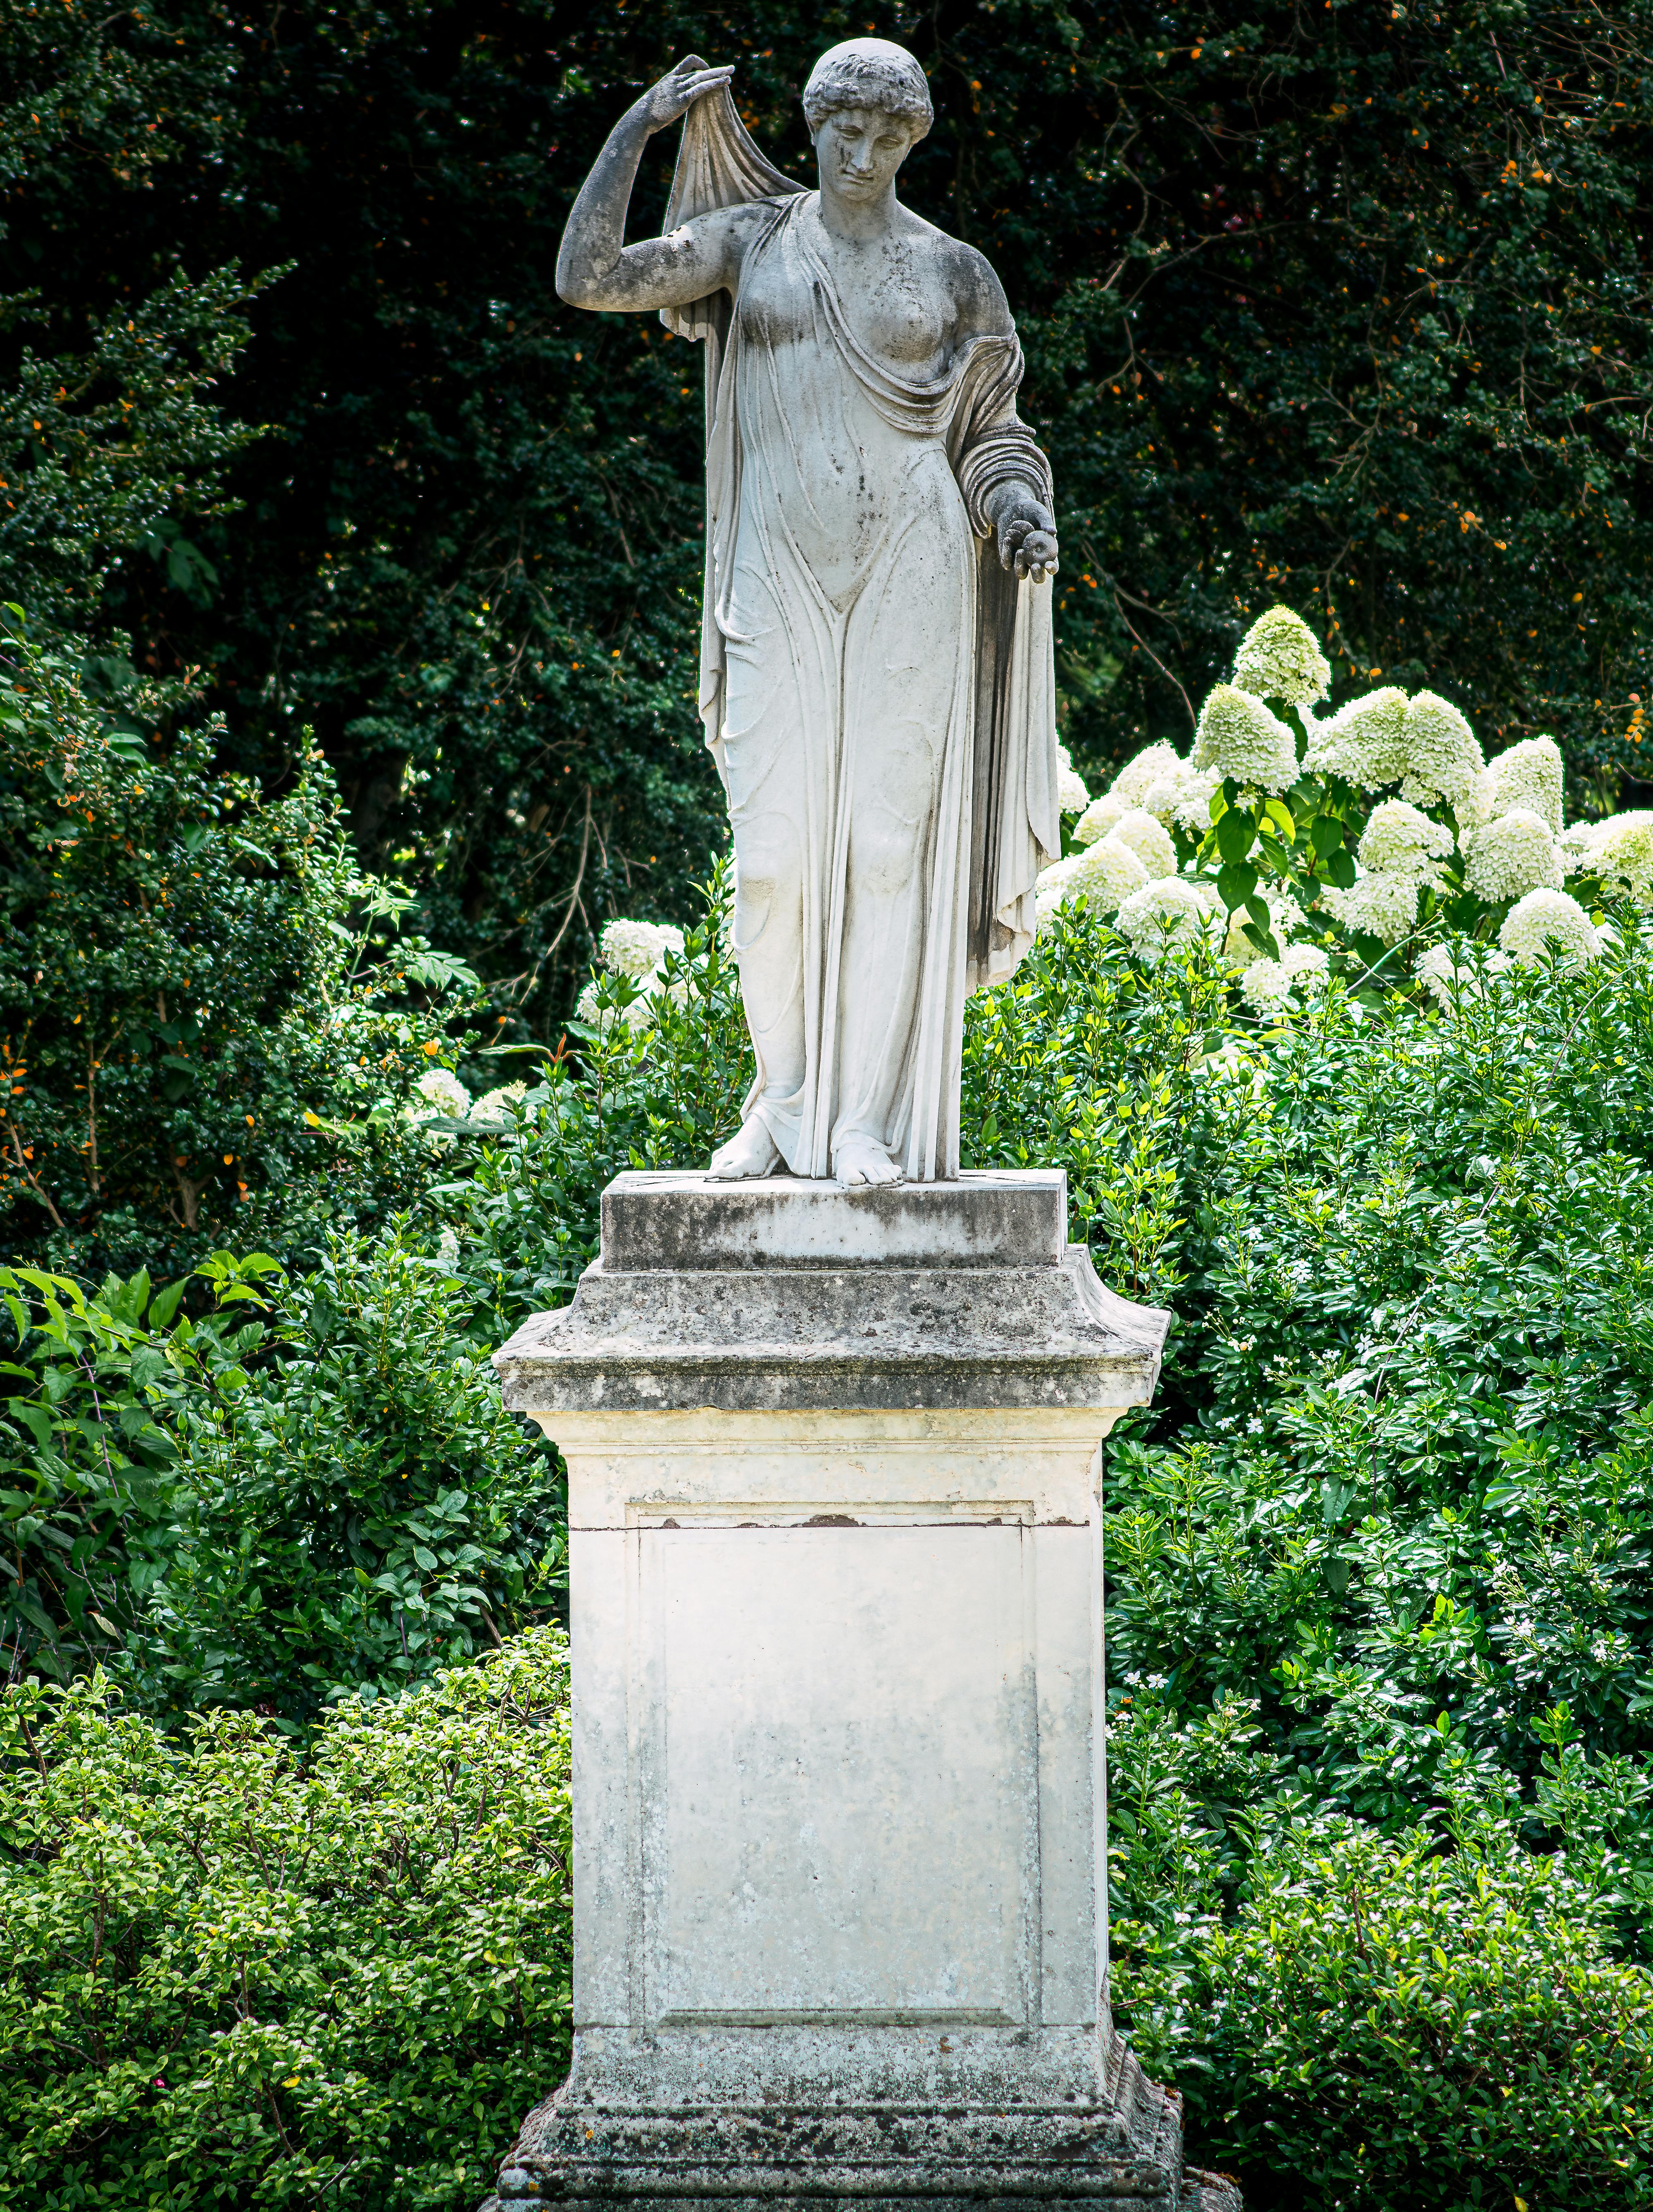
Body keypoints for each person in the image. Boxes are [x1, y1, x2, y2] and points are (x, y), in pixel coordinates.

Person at [558, 39, 1061, 1184]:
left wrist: (1021, 509)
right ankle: (783, 1105)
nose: (867, 156)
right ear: (815, 122)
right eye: (848, 132)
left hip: (914, 564)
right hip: (777, 571)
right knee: (775, 859)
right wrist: (632, 131)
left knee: (887, 849)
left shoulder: (953, 273)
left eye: (891, 139)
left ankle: (862, 1125)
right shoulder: (750, 241)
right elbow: (589, 278)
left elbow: (994, 436)